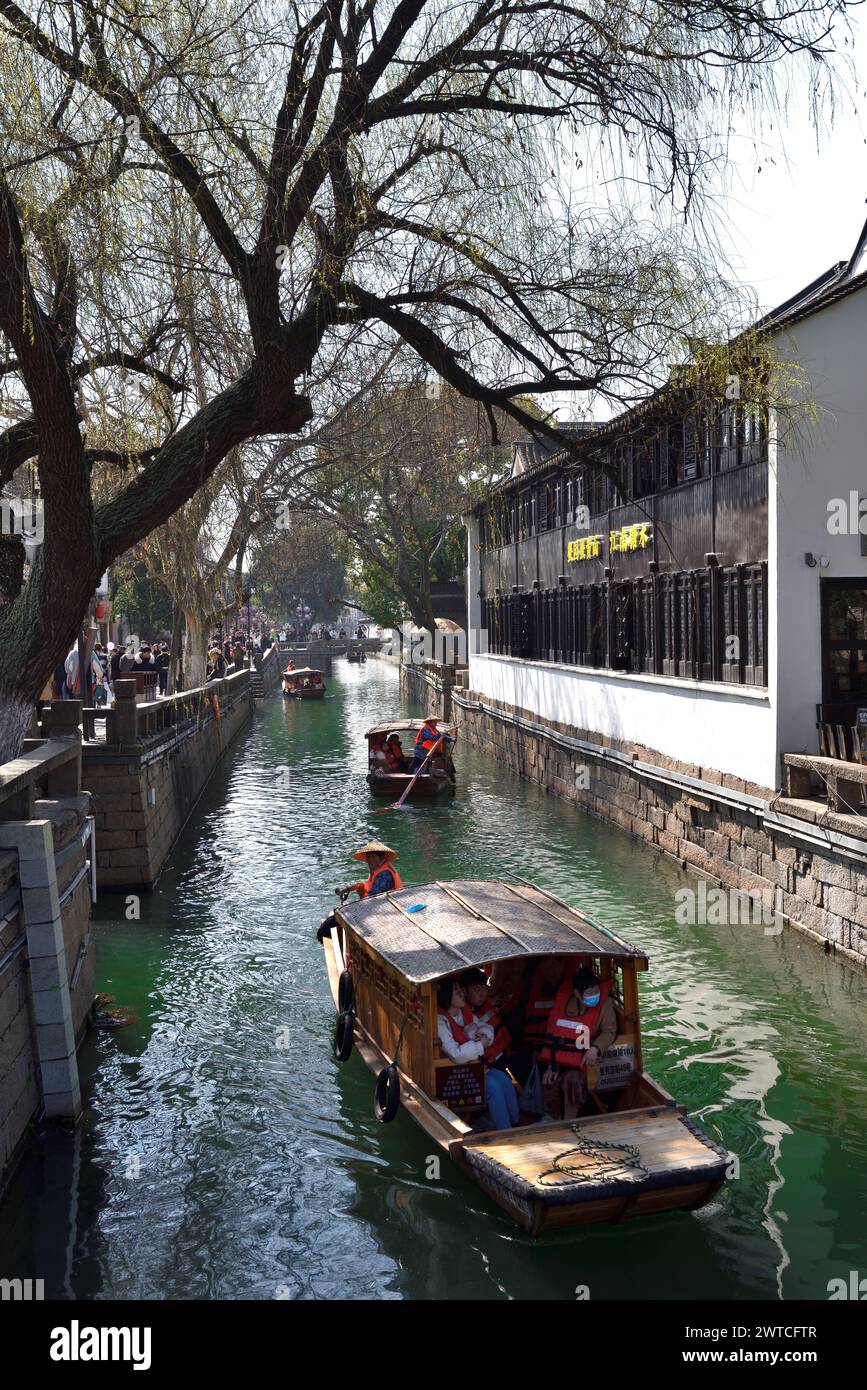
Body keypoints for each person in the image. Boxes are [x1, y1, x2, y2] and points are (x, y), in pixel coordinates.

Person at [438, 975, 519, 1132]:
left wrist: (485, 1035)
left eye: (460, 989)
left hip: (475, 1066)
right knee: (493, 1086)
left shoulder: (463, 1012)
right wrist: (480, 1045)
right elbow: (455, 1054)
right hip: (455, 1072)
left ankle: (516, 1123)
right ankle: (506, 1131)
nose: (462, 993)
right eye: (456, 991)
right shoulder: (440, 1021)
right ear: (446, 996)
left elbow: (483, 1026)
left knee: (504, 1079)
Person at [539, 967, 617, 1119]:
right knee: (548, 1078)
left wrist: (595, 1048)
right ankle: (551, 1118)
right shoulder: (565, 1005)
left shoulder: (605, 1004)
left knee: (573, 1080)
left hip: (587, 1060)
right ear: (577, 994)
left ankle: (570, 1122)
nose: (594, 996)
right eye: (589, 993)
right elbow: (555, 1035)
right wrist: (553, 1065)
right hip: (563, 1058)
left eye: (596, 991)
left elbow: (609, 1031)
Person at [317, 841, 403, 940]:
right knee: (334, 917)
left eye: (373, 857)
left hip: (386, 912)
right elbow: (369, 891)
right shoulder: (378, 869)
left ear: (381, 858)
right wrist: (353, 888)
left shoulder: (384, 875)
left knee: (327, 925)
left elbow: (371, 900)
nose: (370, 860)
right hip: (378, 908)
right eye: (368, 857)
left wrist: (348, 907)